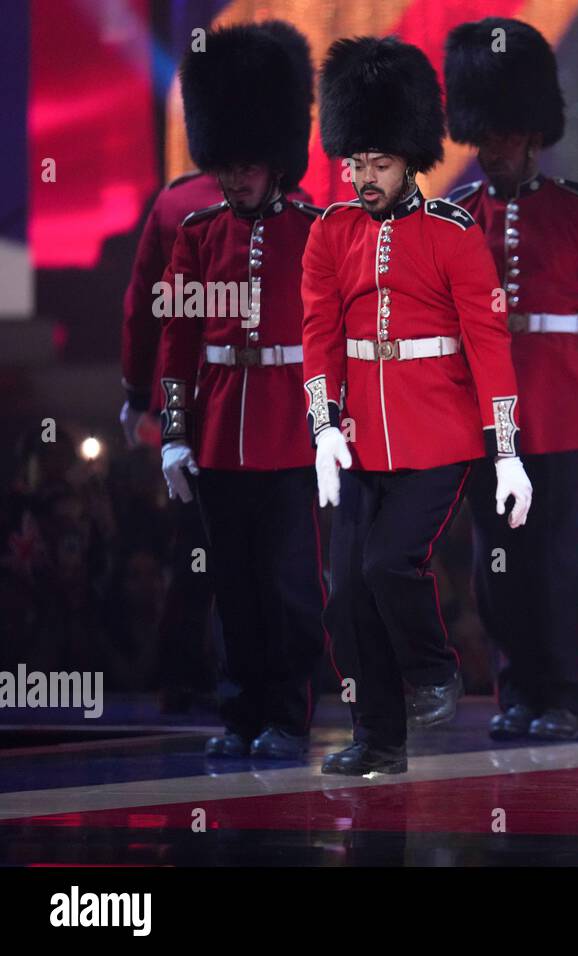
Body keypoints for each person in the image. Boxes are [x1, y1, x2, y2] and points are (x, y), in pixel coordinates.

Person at [303, 36, 533, 775]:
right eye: (356, 162)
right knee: (346, 597)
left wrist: (505, 450)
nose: (365, 177)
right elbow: (319, 333)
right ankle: (379, 740)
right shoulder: (329, 233)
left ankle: (436, 672)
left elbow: (490, 345)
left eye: (380, 162)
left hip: (442, 434)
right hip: (360, 435)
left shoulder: (455, 234)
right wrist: (322, 430)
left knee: (389, 565)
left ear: (409, 159)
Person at [443, 17, 578, 742]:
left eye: (507, 137)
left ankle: (562, 692)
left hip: (561, 406)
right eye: (485, 137)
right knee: (497, 563)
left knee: (557, 561)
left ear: (532, 135)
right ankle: (515, 689)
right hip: (489, 413)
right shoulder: (457, 218)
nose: (495, 151)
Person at [156, 21, 324, 758]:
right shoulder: (198, 234)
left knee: (288, 586)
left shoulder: (318, 229)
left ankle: (287, 714)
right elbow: (177, 343)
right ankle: (240, 712)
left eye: (248, 164)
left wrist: (331, 428)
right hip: (222, 430)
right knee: (232, 584)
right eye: (226, 165)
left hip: (291, 429)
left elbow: (332, 341)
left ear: (277, 159)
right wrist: (172, 430)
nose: (235, 179)